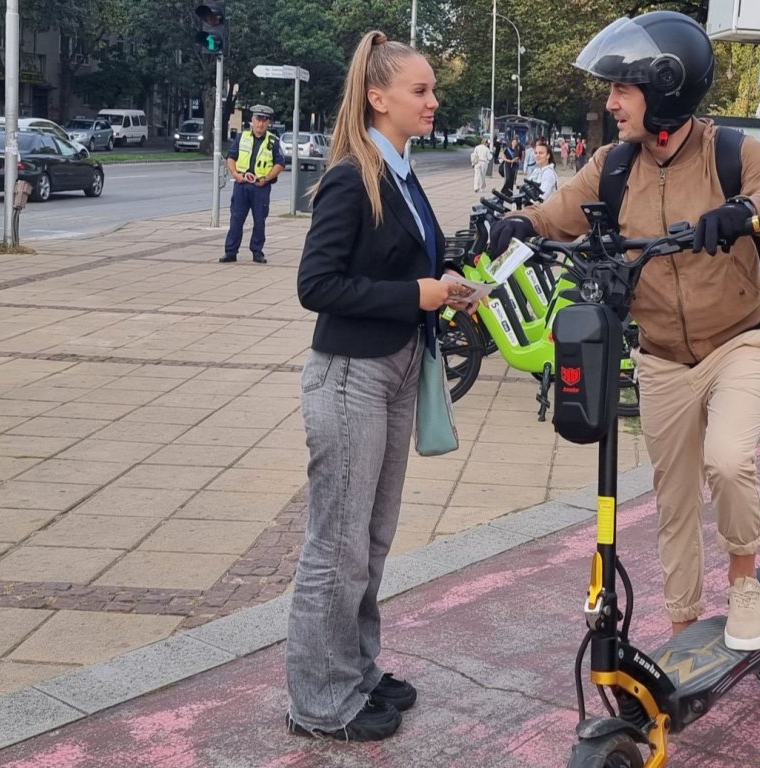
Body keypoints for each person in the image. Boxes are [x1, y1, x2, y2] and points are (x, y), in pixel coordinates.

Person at [486, 11, 760, 652]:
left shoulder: (730, 151)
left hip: (738, 340)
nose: (610, 104)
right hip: (660, 356)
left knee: (728, 459)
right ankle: (685, 626)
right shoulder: (612, 166)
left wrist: (743, 213)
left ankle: (744, 581)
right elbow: (560, 212)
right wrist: (521, 223)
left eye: (621, 90)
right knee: (673, 499)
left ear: (664, 89)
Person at [286, 30, 470, 742]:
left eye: (431, 90)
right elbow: (317, 285)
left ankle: (356, 672)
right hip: (349, 378)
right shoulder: (349, 175)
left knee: (373, 537)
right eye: (420, 90)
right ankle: (318, 700)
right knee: (336, 544)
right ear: (378, 97)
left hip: (393, 372)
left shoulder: (400, 170)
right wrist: (414, 296)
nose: (432, 100)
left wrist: (445, 287)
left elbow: (400, 269)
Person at [221, 104, 286, 264]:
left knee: (259, 220)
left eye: (264, 121)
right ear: (252, 120)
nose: (260, 124)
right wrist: (235, 174)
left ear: (268, 123)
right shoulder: (242, 137)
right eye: (258, 120)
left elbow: (279, 164)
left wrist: (267, 178)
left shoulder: (273, 141)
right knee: (236, 219)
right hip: (241, 185)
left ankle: (257, 252)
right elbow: (231, 158)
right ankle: (231, 252)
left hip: (261, 186)